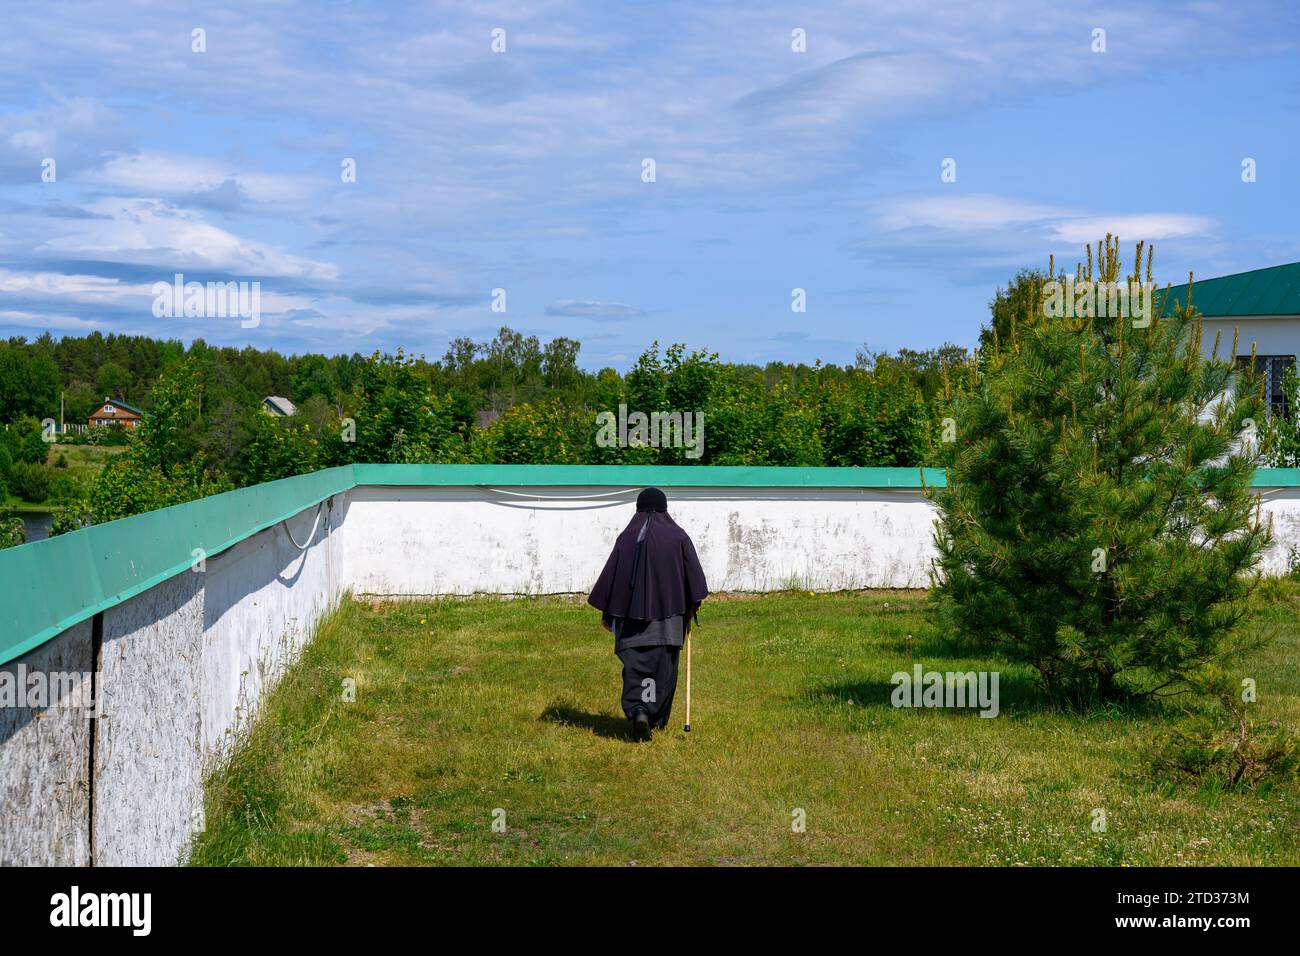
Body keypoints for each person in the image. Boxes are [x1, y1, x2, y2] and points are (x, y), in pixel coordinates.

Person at [588, 487, 709, 741]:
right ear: (665, 508)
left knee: (637, 670)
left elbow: (611, 578)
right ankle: (654, 717)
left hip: (631, 624)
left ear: (638, 508)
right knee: (662, 672)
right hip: (668, 623)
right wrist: (692, 604)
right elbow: (695, 579)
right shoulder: (678, 537)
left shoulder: (626, 537)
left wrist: (608, 615)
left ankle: (639, 710)